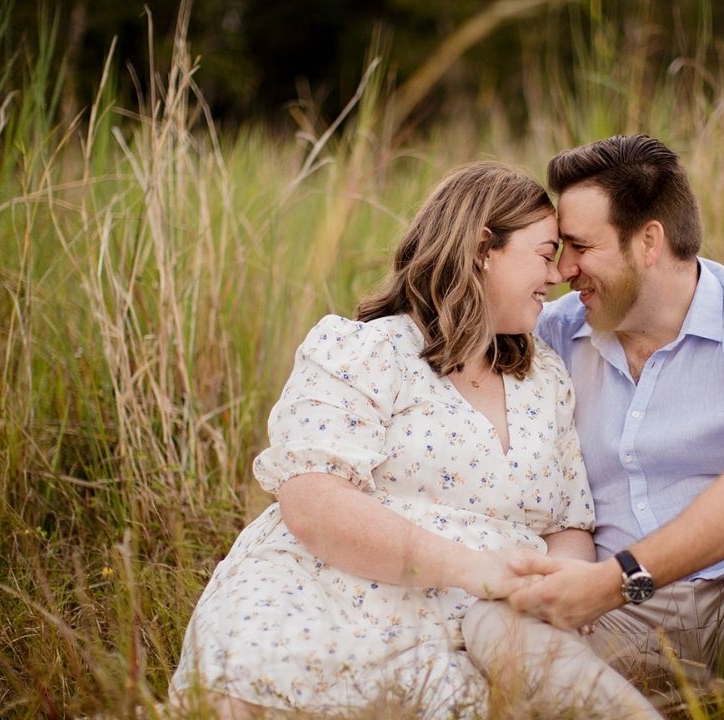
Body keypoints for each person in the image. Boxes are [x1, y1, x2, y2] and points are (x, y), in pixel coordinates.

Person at [462, 135, 724, 720]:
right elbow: (450, 336)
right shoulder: (553, 334)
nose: (562, 271)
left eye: (580, 246)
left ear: (649, 241)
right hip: (616, 628)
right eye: (559, 249)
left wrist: (616, 579)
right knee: (490, 622)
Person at [169, 162, 597, 719]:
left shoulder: (545, 379)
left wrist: (554, 594)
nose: (558, 275)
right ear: (480, 249)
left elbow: (569, 524)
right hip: (326, 597)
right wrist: (473, 569)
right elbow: (313, 504)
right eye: (544, 254)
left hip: (483, 625)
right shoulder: (366, 352)